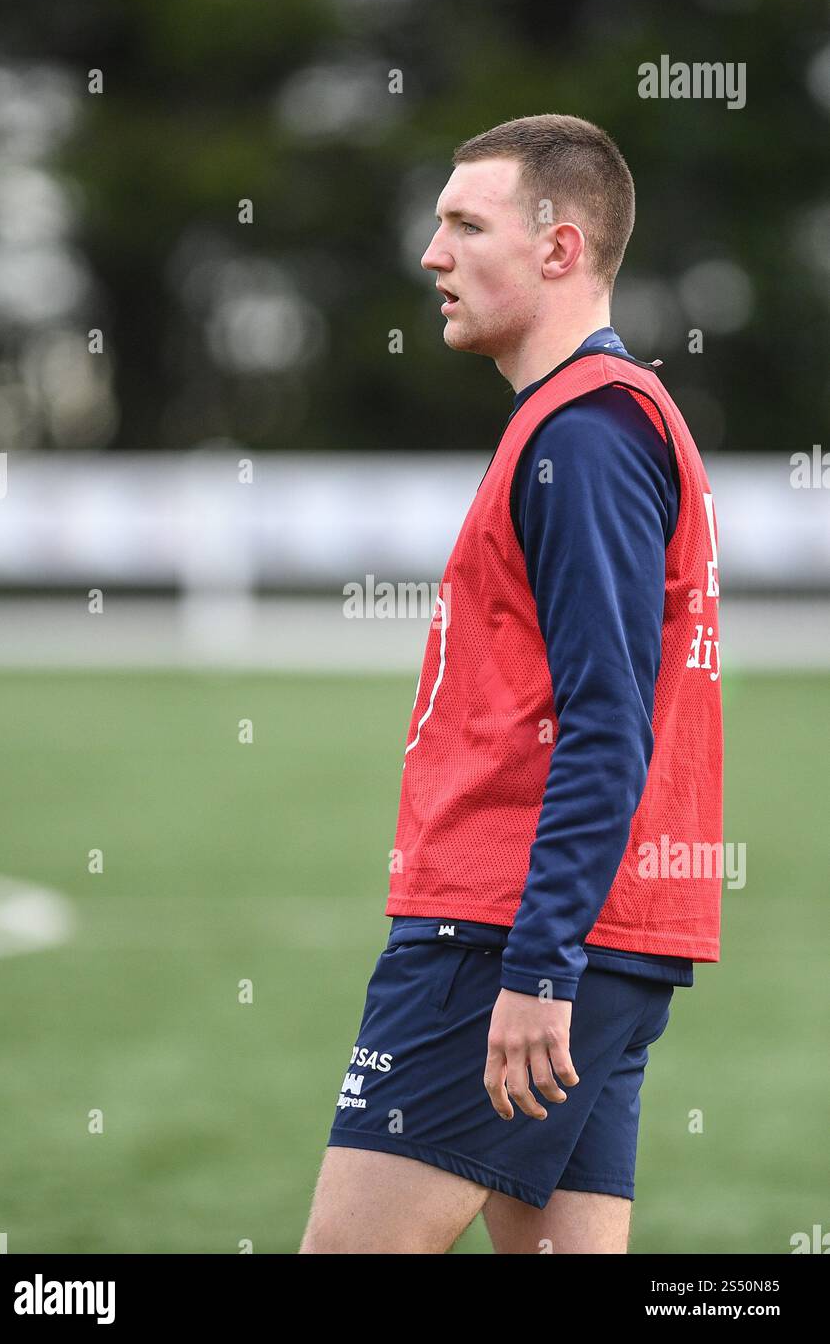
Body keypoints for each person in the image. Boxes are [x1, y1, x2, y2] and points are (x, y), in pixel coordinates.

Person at [300, 114, 724, 1255]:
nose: (431, 254)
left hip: (504, 936)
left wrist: (538, 965)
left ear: (557, 248)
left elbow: (606, 719)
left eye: (461, 224)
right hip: (597, 937)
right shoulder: (591, 419)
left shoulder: (581, 437)